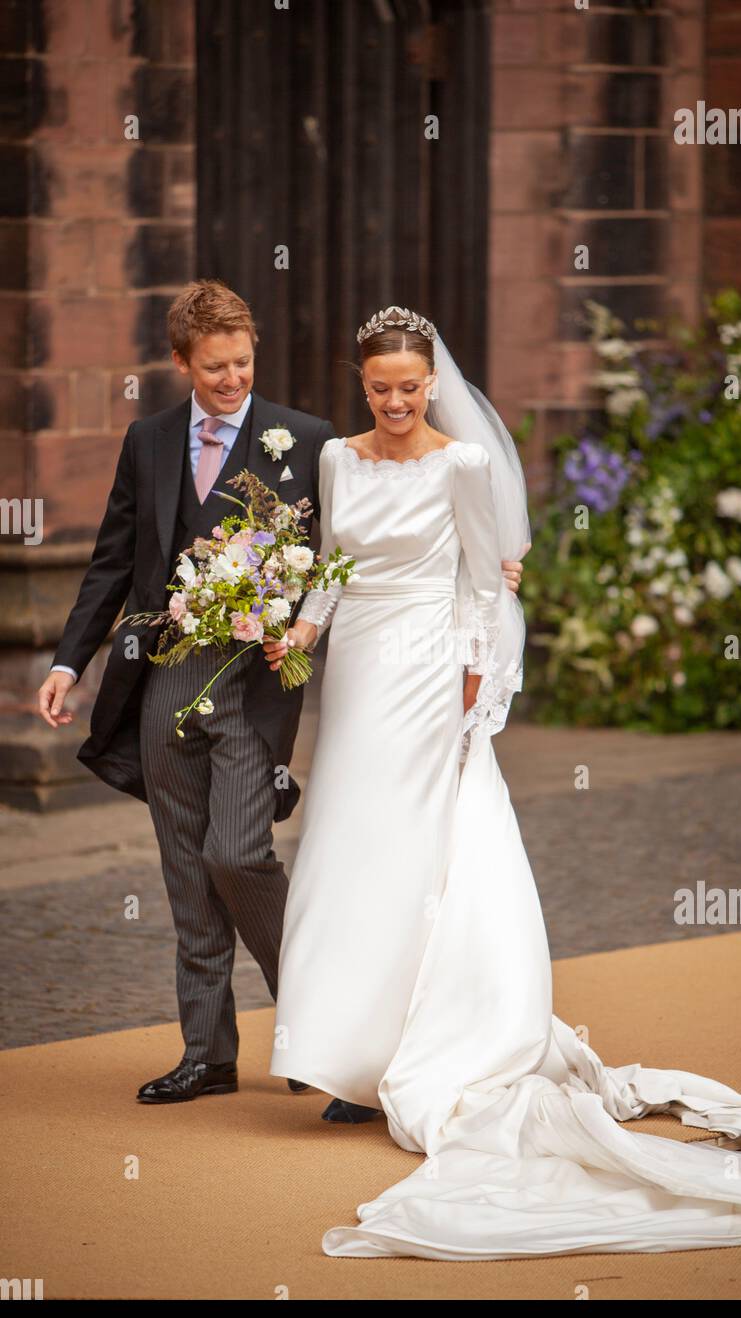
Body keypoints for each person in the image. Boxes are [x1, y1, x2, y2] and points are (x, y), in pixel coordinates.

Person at [266, 305, 741, 1260]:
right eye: (377, 388)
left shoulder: (462, 465)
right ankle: (350, 1054)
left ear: (431, 384)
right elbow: (333, 566)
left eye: (408, 388)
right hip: (358, 669)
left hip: (428, 673)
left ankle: (416, 1051)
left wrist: (471, 684)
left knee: (423, 849)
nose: (392, 402)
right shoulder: (338, 460)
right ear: (360, 383)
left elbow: (483, 581)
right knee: (346, 847)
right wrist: (298, 631)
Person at [36, 281, 523, 1107]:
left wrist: (486, 580)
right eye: (216, 367)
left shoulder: (305, 440)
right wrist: (66, 662)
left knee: (239, 854)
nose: (232, 379)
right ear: (183, 362)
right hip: (166, 676)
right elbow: (112, 563)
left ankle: (315, 1026)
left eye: (244, 364)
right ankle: (208, 1054)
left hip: (260, 682)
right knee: (187, 873)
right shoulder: (147, 441)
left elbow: (341, 556)